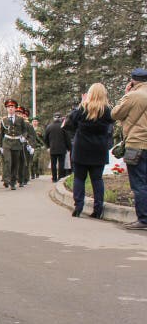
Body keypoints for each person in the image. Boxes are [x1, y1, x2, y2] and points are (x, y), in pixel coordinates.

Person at [63, 83, 113, 219]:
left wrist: (82, 103)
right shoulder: (107, 111)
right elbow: (111, 127)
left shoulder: (82, 109)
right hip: (99, 149)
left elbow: (69, 123)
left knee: (79, 178)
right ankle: (98, 208)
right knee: (97, 179)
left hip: (81, 148)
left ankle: (78, 206)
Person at [111, 68, 147, 230]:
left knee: (139, 183)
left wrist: (126, 93)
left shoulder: (133, 96)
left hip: (136, 143)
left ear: (133, 81)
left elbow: (115, 114)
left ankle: (143, 219)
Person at [0, 99, 26, 189]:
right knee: (7, 161)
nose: (10, 108)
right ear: (6, 109)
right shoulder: (4, 120)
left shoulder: (20, 119)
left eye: (12, 107)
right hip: (7, 142)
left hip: (17, 142)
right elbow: (1, 134)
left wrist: (23, 137)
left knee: (15, 163)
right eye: (9, 107)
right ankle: (6, 180)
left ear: (15, 108)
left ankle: (13, 182)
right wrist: (0, 146)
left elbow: (25, 130)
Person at [44, 113, 71, 182]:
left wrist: (48, 147)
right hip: (62, 148)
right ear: (60, 118)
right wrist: (69, 147)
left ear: (54, 118)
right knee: (61, 163)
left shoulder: (49, 127)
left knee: (53, 163)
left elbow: (45, 138)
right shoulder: (63, 126)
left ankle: (54, 178)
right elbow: (67, 138)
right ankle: (60, 177)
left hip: (52, 148)